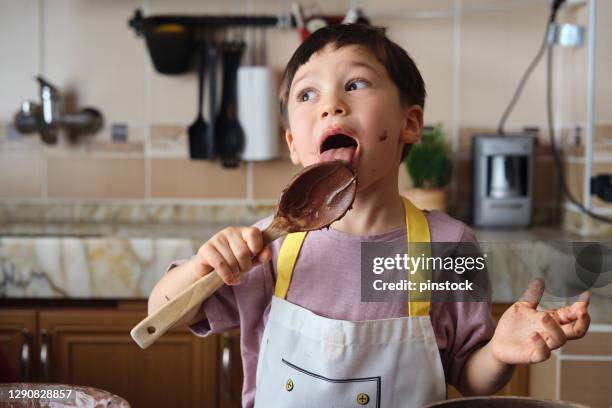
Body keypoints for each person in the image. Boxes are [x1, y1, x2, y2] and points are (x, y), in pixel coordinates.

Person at [147, 24, 591, 407]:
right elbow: (161, 313)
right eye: (307, 93)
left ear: (410, 124)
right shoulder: (267, 245)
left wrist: (500, 352)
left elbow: (469, 377)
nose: (331, 104)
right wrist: (202, 268)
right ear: (294, 145)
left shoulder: (448, 246)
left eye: (356, 84)